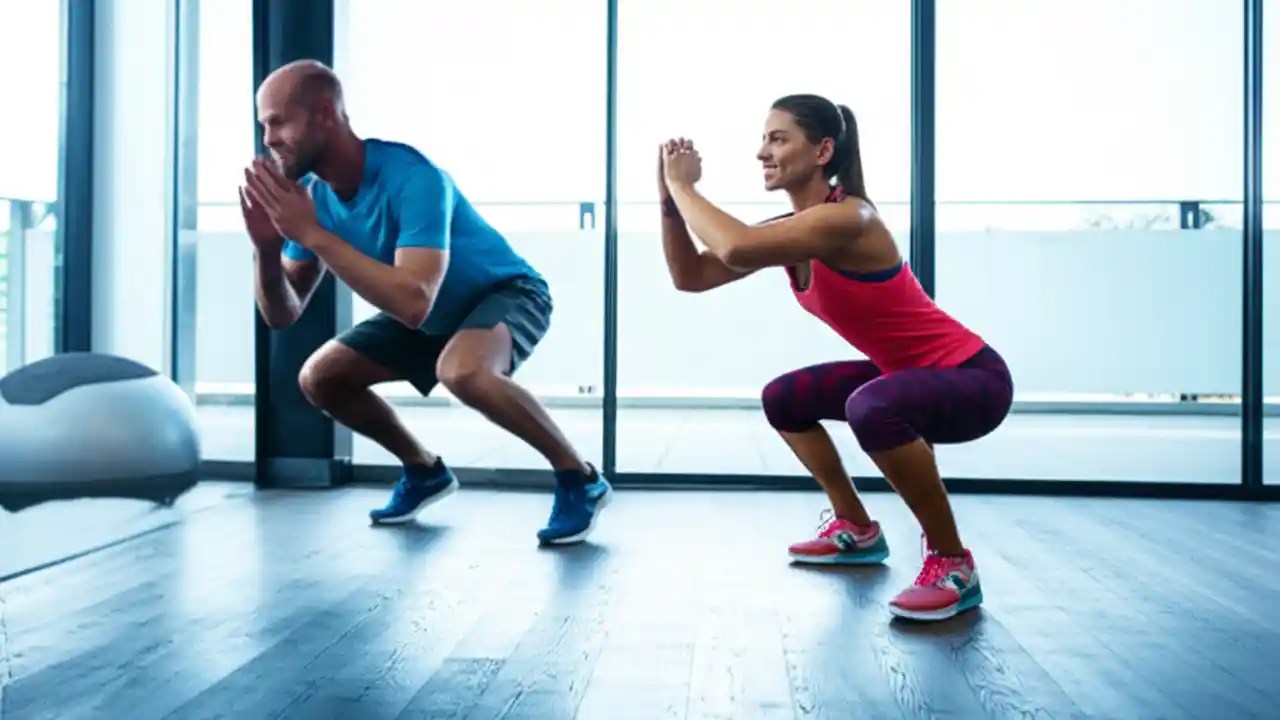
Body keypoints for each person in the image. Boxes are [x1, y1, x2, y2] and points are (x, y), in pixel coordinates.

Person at [656, 94, 1014, 622]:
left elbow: (733, 248)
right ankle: (856, 528)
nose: (762, 151)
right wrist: (669, 199)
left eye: (777, 138)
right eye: (763, 138)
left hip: (973, 379)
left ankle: (953, 564)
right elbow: (692, 277)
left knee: (870, 406)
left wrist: (685, 186)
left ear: (823, 150)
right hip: (908, 375)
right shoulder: (792, 230)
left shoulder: (850, 219)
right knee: (785, 399)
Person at [238, 59, 612, 545]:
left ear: (324, 114)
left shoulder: (413, 177)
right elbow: (283, 313)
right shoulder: (311, 197)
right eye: (263, 124)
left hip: (505, 293)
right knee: (321, 378)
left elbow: (414, 301)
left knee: (463, 371)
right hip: (426, 310)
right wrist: (267, 251)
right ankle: (424, 471)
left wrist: (311, 233)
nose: (268, 137)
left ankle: (579, 478)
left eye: (278, 121)